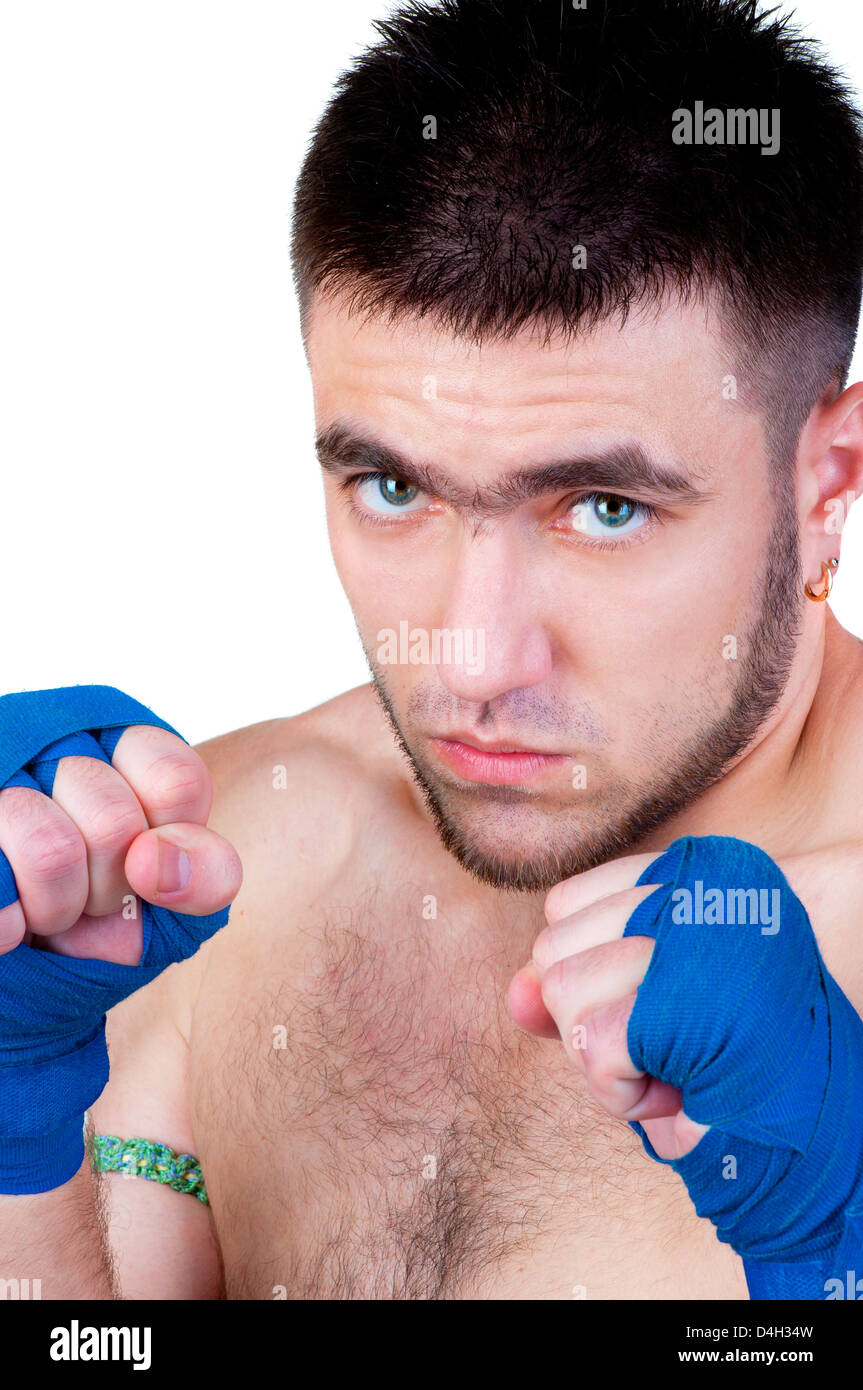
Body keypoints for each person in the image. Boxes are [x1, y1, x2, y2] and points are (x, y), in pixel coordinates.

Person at [1, 0, 862, 1300]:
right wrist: (14, 1140)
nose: (470, 662)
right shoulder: (217, 865)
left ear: (827, 479)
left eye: (604, 508)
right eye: (395, 487)